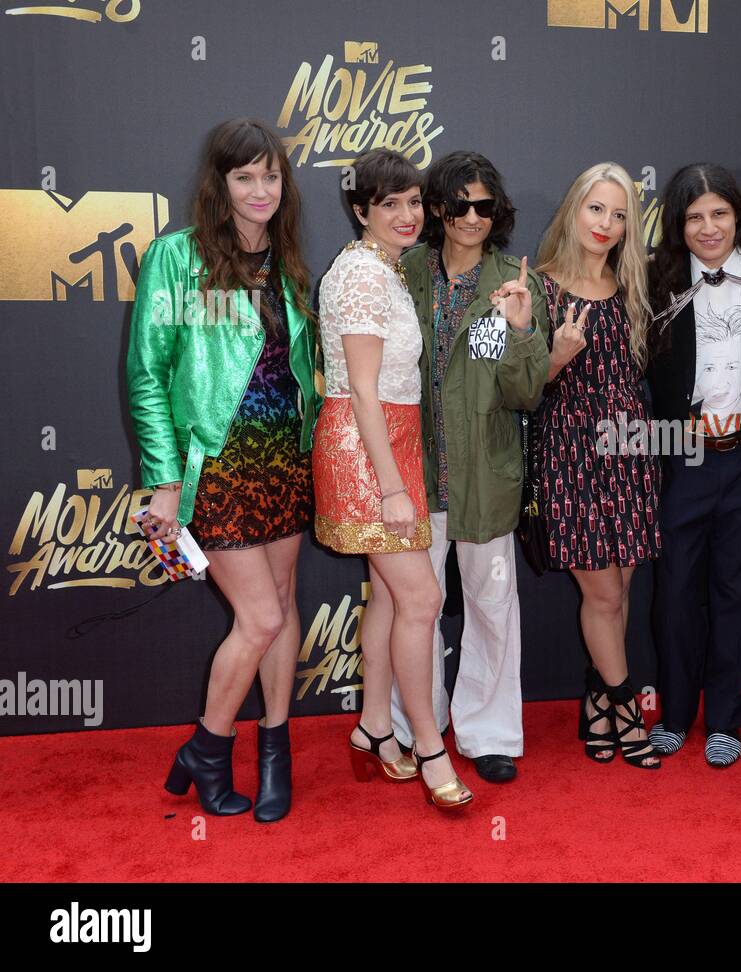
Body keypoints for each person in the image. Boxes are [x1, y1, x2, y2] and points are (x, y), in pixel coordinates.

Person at [128, 118, 320, 823]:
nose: (261, 189)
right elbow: (147, 373)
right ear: (222, 183)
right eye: (246, 177)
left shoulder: (289, 260)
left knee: (285, 605)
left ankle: (275, 743)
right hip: (218, 465)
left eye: (271, 175)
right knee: (261, 616)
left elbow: (298, 370)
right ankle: (207, 749)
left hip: (283, 462)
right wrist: (165, 478)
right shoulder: (178, 258)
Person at [314, 148, 472, 810]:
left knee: (387, 596)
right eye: (390, 204)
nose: (408, 216)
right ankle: (430, 746)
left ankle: (374, 725)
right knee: (421, 600)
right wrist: (391, 486)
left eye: (414, 202)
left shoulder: (384, 269)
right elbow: (365, 393)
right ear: (360, 211)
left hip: (390, 444)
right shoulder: (359, 277)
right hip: (365, 449)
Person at [391, 151, 550, 784]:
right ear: (436, 209)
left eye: (484, 206)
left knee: (491, 605)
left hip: (486, 471)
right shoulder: (403, 274)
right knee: (415, 608)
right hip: (413, 471)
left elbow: (526, 391)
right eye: (458, 205)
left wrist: (518, 331)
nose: (471, 218)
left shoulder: (514, 279)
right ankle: (412, 728)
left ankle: (489, 733)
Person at [644, 163, 741, 766]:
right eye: (694, 217)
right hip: (681, 461)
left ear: (739, 217)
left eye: (719, 214)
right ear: (678, 226)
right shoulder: (655, 284)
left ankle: (728, 716)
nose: (708, 228)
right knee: (675, 593)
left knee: (739, 590)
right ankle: (677, 713)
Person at [533, 162, 662, 769]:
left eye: (618, 215)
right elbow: (518, 390)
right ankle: (627, 709)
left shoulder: (635, 288)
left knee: (621, 588)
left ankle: (596, 706)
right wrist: (556, 357)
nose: (606, 224)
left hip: (632, 452)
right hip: (571, 457)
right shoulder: (538, 288)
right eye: (596, 209)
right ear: (573, 211)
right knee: (604, 594)